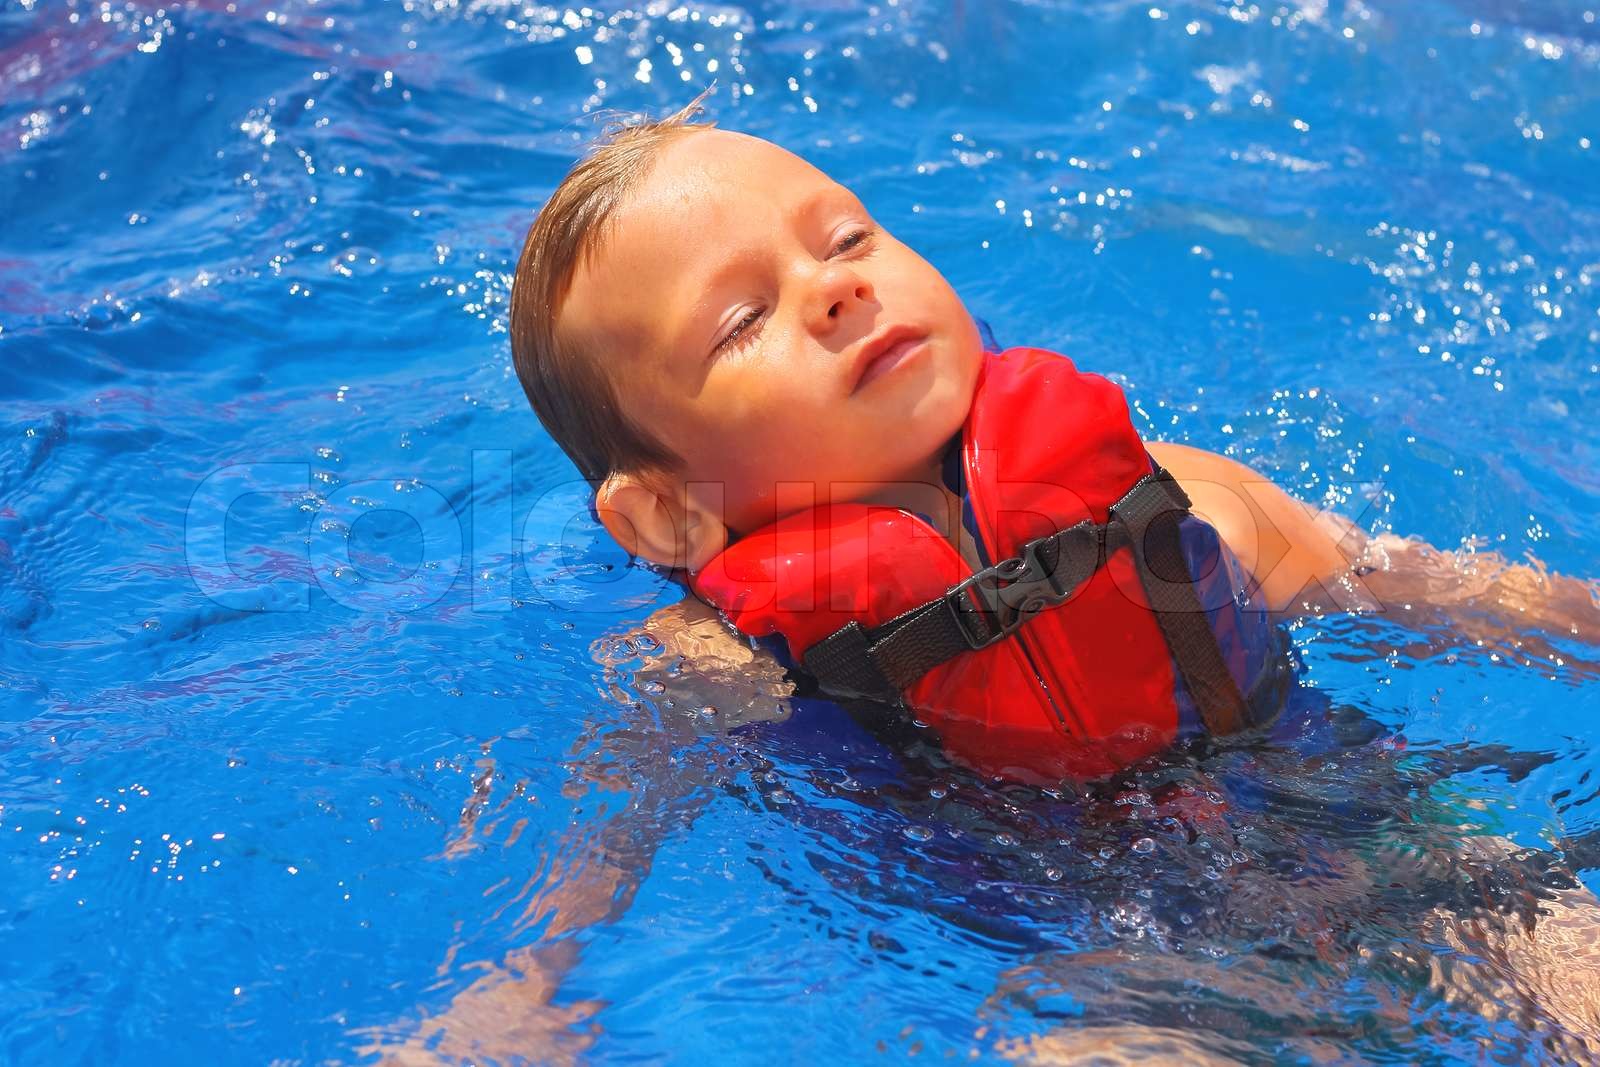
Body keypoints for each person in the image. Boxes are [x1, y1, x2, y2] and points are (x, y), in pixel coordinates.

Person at [359, 94, 1600, 1061]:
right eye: (741, 321)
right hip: (1111, 956)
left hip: (1375, 843)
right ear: (666, 513)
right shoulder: (719, 658)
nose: (834, 285)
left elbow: (1443, 589)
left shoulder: (1168, 489)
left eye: (847, 238)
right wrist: (523, 981)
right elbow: (607, 826)